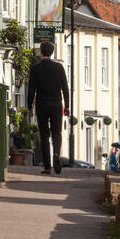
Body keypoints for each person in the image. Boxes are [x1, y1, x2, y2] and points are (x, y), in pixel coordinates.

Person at [26, 40, 70, 175]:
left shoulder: (35, 68)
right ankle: (56, 153)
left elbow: (31, 89)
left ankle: (46, 167)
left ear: (41, 52)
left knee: (44, 136)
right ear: (52, 52)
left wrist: (30, 107)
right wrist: (67, 106)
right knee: (57, 133)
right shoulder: (59, 68)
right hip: (57, 104)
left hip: (41, 105)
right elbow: (65, 89)